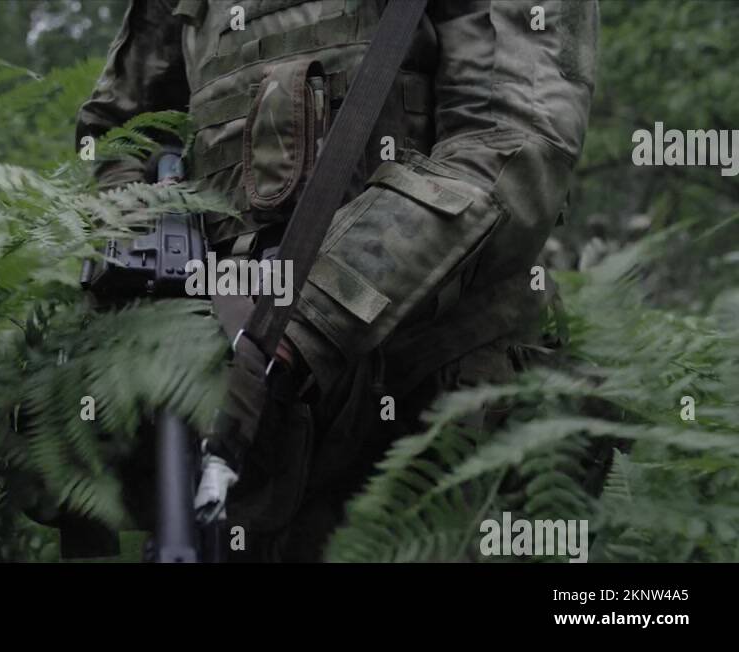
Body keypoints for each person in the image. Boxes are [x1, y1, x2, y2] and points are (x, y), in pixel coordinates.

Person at [76, 0, 599, 561]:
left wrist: (299, 322)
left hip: (428, 411)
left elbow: (512, 148)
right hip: (233, 403)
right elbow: (122, 137)